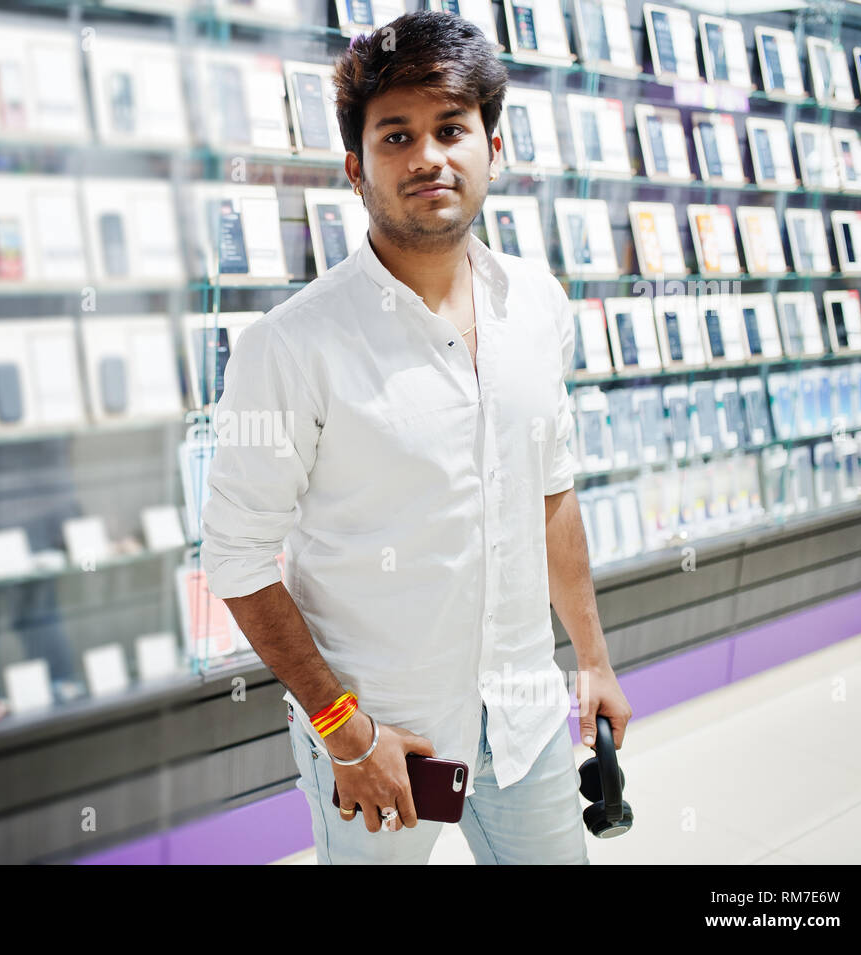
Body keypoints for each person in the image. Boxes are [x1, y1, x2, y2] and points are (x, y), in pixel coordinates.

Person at [199, 10, 632, 864]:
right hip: (378, 730)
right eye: (397, 135)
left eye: (451, 129)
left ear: (492, 150)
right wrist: (341, 727)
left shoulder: (538, 305)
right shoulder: (290, 345)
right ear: (357, 169)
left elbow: (552, 493)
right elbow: (238, 559)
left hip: (527, 715)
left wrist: (594, 660)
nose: (428, 156)